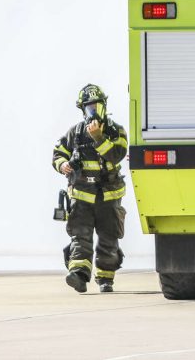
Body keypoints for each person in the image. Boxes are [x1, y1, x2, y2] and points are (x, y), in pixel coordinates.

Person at [52, 84, 128, 293]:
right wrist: (63, 165)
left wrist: (98, 138)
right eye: (89, 107)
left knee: (108, 238)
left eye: (97, 106)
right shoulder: (75, 132)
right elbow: (58, 153)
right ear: (83, 109)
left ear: (104, 106)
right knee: (80, 236)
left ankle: (105, 279)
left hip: (109, 195)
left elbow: (116, 155)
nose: (93, 111)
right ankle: (78, 275)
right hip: (81, 195)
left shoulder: (116, 131)